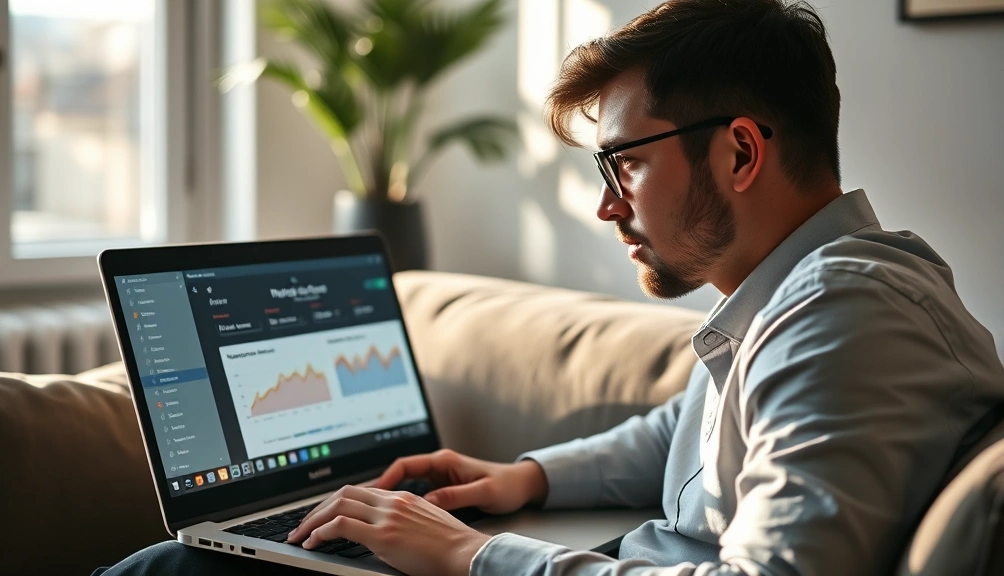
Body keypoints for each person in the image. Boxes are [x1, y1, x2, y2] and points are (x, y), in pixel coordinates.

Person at [96, 1, 1004, 575]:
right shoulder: (787, 302)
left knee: (172, 570)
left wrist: (474, 555)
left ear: (738, 151)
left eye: (624, 166)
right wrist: (519, 477)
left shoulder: (844, 316)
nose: (607, 208)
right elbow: (684, 438)